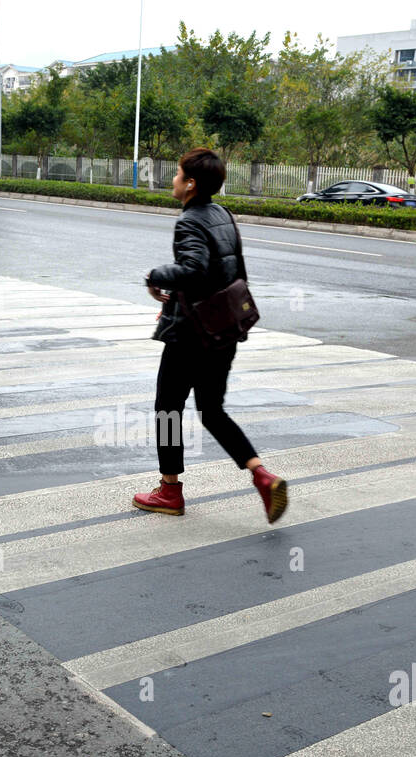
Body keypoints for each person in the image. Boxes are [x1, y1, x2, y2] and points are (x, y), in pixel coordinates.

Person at [134, 147, 288, 524]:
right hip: (223, 330)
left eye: (177, 174)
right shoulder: (222, 214)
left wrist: (156, 276)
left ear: (190, 184)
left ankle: (170, 490)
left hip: (191, 336)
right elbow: (231, 274)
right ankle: (261, 475)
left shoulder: (189, 221)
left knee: (168, 408)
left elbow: (193, 269)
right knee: (212, 409)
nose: (172, 179)